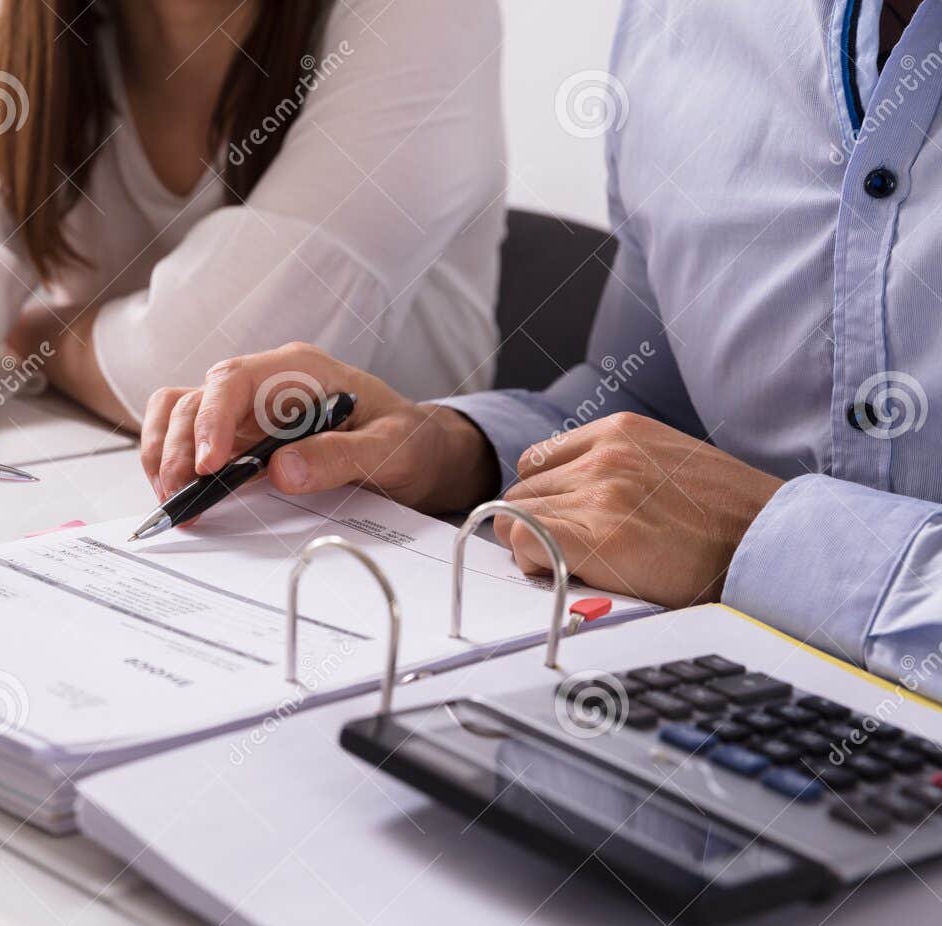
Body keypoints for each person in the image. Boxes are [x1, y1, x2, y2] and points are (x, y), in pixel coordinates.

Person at [142, 0, 942, 698]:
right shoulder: (677, 21)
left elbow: (722, 508)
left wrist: (760, 542)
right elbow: (653, 403)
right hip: (700, 698)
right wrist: (455, 450)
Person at [0, 0, 504, 583]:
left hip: (411, 560)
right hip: (167, 545)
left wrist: (35, 335)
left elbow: (211, 358)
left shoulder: (421, 19)